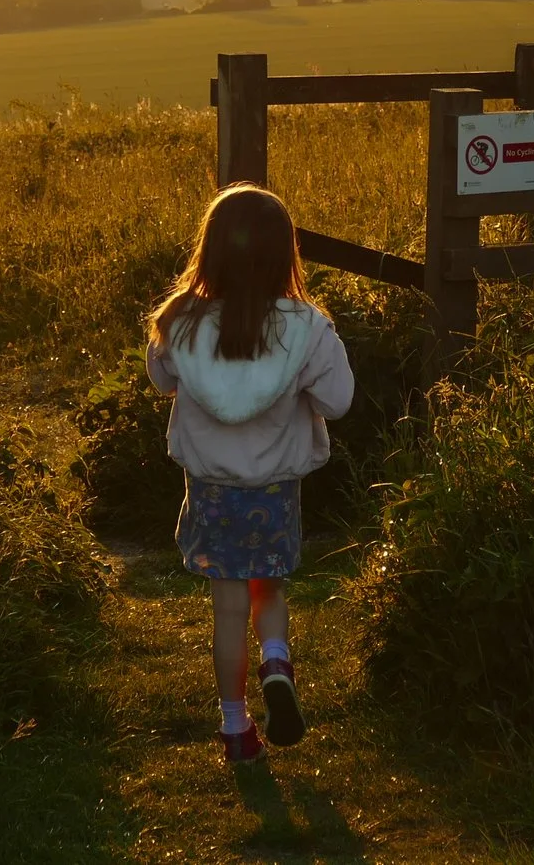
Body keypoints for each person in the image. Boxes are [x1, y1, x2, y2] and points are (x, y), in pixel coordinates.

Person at [145, 183, 356, 764]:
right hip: (275, 487)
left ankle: (236, 728)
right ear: (286, 253)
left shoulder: (178, 321)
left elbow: (162, 382)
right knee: (271, 586)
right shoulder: (306, 327)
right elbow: (338, 401)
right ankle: (277, 661)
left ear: (210, 249)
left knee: (229, 608)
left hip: (212, 491)